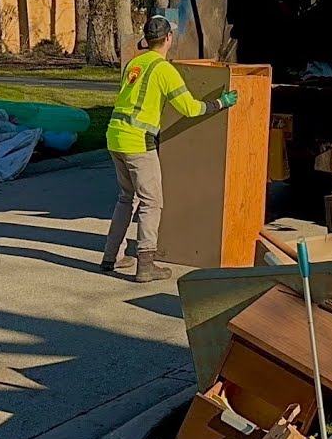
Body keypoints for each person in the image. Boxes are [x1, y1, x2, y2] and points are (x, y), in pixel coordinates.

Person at [101, 15, 237, 282]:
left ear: (147, 38)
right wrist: (221, 103)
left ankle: (111, 256)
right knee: (152, 202)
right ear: (169, 39)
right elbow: (190, 108)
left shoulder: (135, 63)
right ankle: (145, 265)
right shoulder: (164, 70)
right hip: (137, 140)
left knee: (126, 198)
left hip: (114, 135)